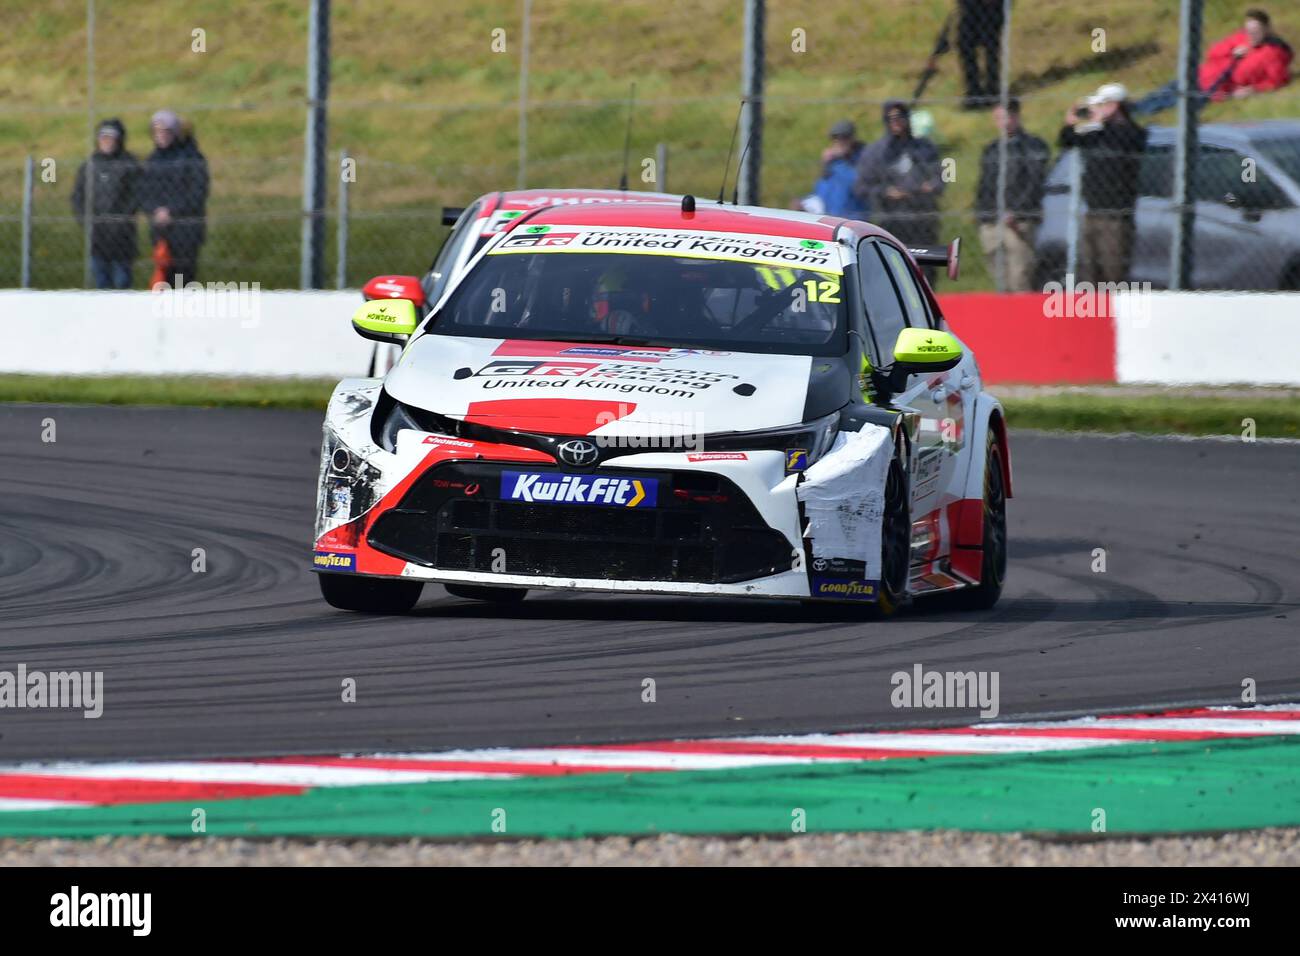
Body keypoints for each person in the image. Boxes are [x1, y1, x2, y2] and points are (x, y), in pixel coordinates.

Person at [1059, 83, 1148, 284]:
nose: (1096, 109)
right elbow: (1067, 140)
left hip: (1115, 215)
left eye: (1102, 104)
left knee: (1113, 272)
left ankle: (1116, 311)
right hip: (1092, 211)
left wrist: (1096, 123)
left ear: (1115, 106)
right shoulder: (1097, 132)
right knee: (1088, 272)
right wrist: (1071, 123)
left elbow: (1125, 140)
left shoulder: (1131, 133)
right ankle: (1092, 313)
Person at [1132, 8, 1293, 115]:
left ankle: (1137, 113)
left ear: (1267, 29)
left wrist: (1253, 89)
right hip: (1200, 75)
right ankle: (1132, 109)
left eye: (1256, 31)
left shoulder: (1273, 53)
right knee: (1161, 93)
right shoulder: (1239, 38)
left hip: (1215, 88)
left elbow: (1277, 80)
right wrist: (1232, 51)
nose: (1252, 34)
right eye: (1249, 30)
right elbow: (1213, 52)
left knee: (1169, 102)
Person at [975, 98, 1050, 292]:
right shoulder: (990, 149)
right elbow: (984, 185)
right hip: (991, 222)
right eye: (997, 117)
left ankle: (1025, 321)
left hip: (1019, 222)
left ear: (1016, 117)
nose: (1002, 122)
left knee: (1020, 278)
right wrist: (982, 216)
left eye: (1005, 117)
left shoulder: (1034, 146)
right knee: (1001, 282)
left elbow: (1035, 183)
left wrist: (1015, 212)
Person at [854, 101, 945, 252]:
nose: (896, 122)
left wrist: (934, 185)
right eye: (891, 118)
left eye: (900, 116)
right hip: (892, 219)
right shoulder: (875, 152)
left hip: (924, 218)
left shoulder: (925, 147)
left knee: (926, 269)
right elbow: (861, 187)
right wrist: (886, 192)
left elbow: (946, 172)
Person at [70, 118, 141, 289]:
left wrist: (121, 219)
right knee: (101, 284)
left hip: (122, 237)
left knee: (122, 282)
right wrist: (86, 220)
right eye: (103, 137)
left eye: (111, 138)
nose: (107, 142)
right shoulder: (90, 165)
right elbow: (78, 196)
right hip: (97, 238)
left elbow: (137, 195)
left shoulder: (129, 164)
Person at [141, 109, 210, 286]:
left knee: (184, 282)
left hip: (186, 232)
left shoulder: (192, 158)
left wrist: (171, 211)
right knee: (164, 281)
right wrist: (154, 211)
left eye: (165, 131)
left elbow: (197, 193)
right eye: (157, 131)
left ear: (175, 132)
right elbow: (144, 192)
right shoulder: (152, 160)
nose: (161, 135)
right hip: (161, 232)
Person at [802, 120, 868, 219]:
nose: (839, 142)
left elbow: (858, 184)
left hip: (852, 221)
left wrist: (842, 158)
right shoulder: (833, 164)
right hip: (828, 220)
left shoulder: (863, 159)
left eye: (843, 138)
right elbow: (820, 191)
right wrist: (804, 203)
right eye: (835, 139)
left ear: (852, 139)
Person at [958, 0, 1004, 109]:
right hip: (969, 9)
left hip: (991, 10)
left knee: (991, 49)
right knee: (966, 45)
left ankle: (992, 93)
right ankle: (974, 92)